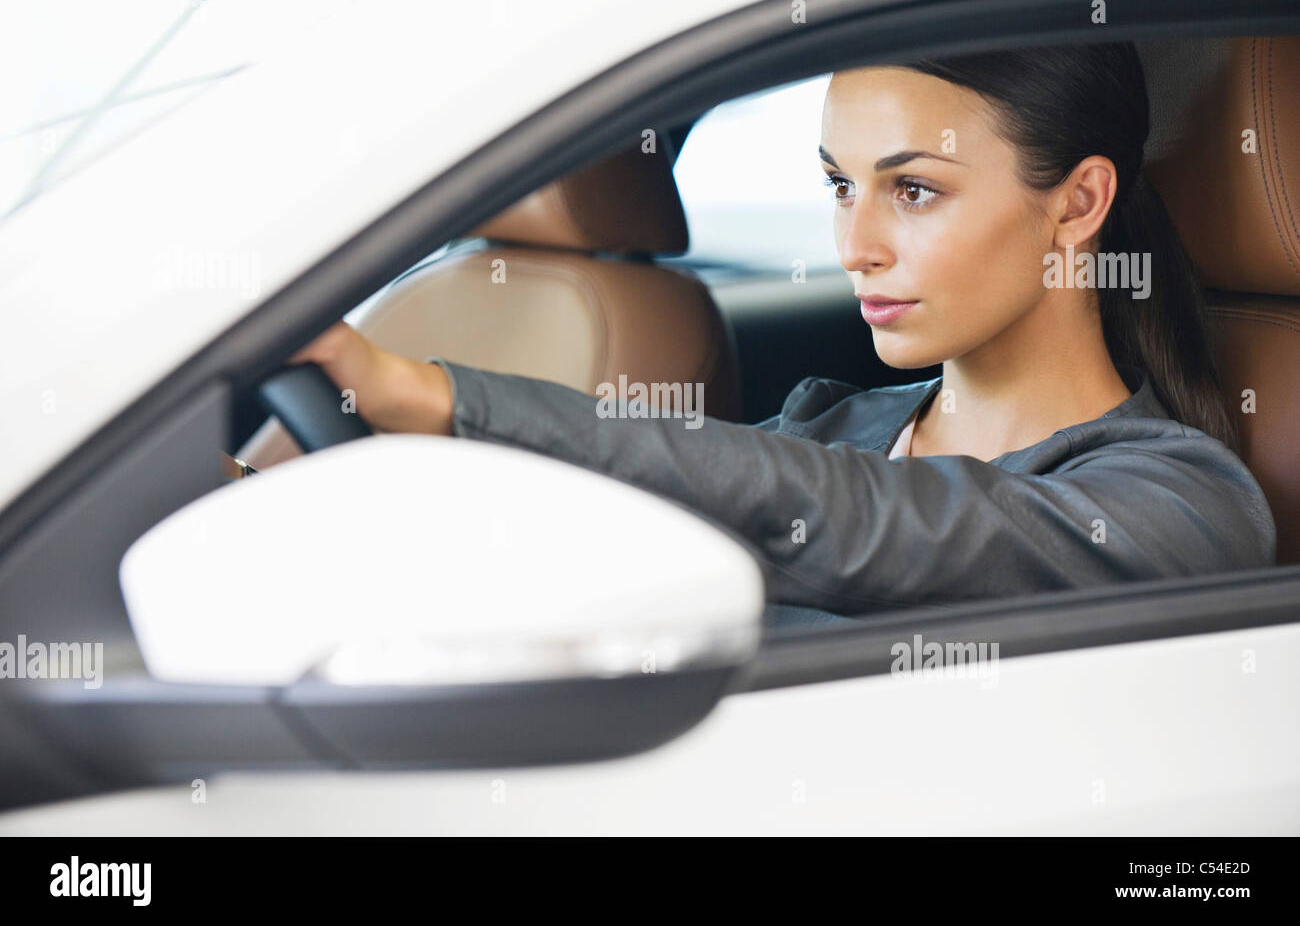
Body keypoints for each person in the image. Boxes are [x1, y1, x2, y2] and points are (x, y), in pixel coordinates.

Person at [284, 43, 1275, 615]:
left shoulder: (1177, 506)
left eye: (914, 191)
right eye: (841, 186)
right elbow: (600, 537)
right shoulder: (834, 425)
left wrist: (435, 396)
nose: (855, 244)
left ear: (1076, 202)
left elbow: (854, 516)